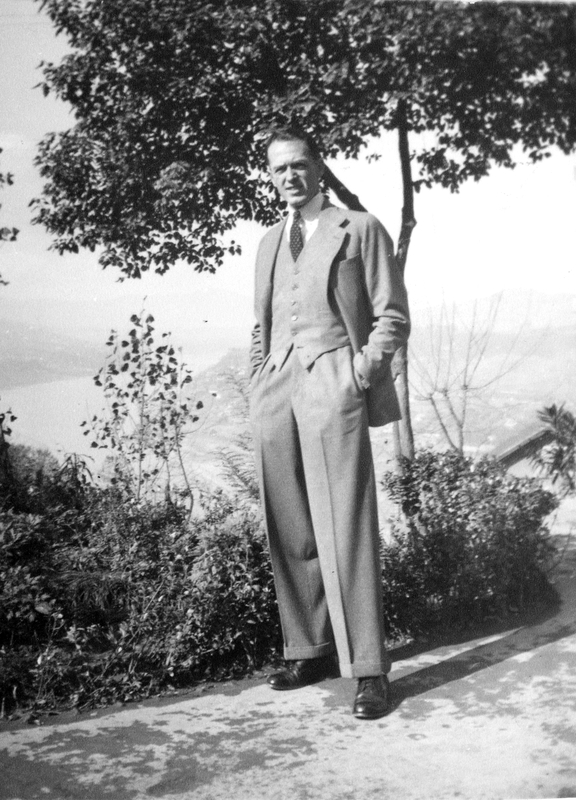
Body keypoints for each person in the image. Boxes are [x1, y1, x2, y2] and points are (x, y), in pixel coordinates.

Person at [249, 126, 410, 719]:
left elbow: (392, 315)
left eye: (298, 164)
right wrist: (258, 378)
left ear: (318, 166)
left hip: (334, 384)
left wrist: (359, 373)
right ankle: (309, 650)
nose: (289, 176)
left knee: (347, 526)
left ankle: (368, 668)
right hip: (277, 392)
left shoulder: (358, 228)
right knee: (289, 523)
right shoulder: (269, 241)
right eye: (278, 169)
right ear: (271, 178)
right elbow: (262, 323)